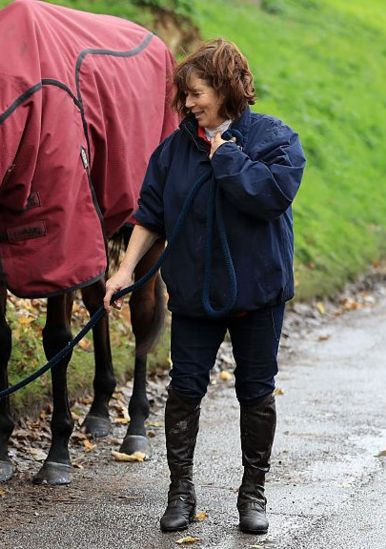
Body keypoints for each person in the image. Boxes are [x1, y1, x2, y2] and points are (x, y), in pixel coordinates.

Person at [103, 38, 305, 535]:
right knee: (185, 390)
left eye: (196, 93)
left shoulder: (276, 140)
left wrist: (226, 159)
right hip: (196, 293)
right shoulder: (174, 150)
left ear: (225, 87)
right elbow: (150, 213)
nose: (189, 104)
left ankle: (253, 491)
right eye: (185, 96)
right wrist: (125, 269)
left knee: (256, 391)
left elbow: (271, 196)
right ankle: (181, 491)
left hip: (257, 293)